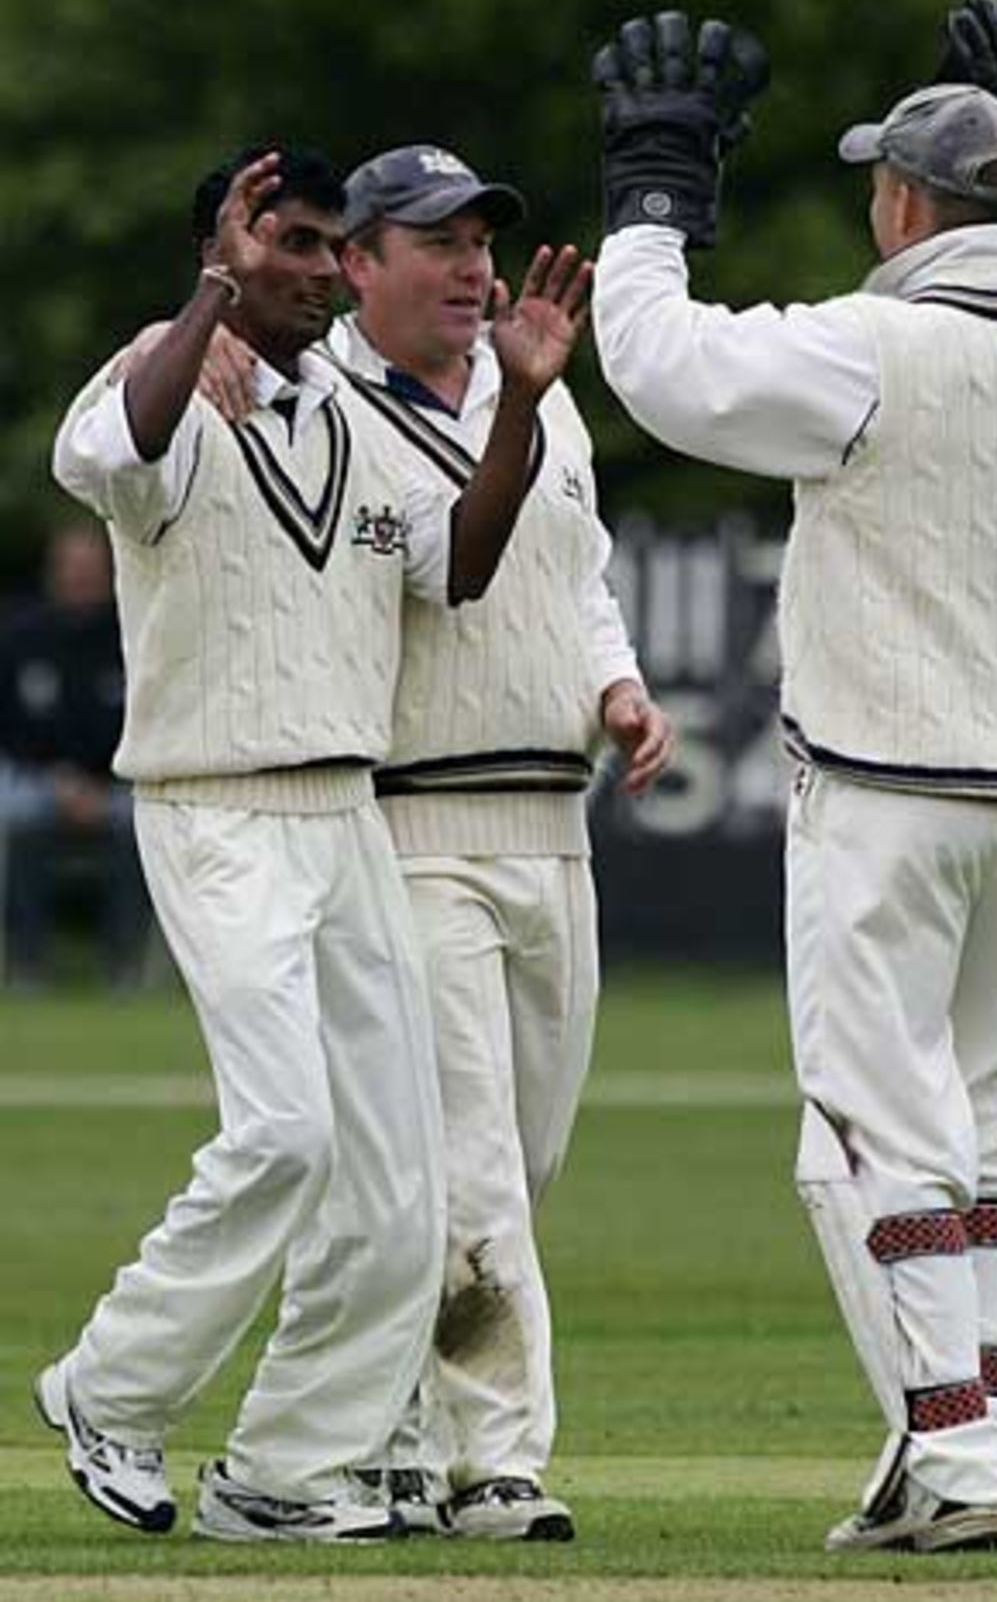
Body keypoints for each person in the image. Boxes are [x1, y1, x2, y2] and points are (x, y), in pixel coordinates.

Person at [589, 2, 997, 1553]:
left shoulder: (864, 346)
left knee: (865, 1127)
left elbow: (654, 365)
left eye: (880, 185)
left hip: (885, 786)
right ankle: (987, 1416)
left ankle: (958, 1456)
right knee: (975, 1112)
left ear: (907, 206)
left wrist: (655, 195)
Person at [41, 143, 592, 1544]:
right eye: (277, 239)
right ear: (226, 247)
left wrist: (520, 407)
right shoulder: (161, 394)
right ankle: (111, 1384)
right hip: (214, 800)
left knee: (405, 1193)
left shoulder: (350, 420)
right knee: (285, 1129)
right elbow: (111, 456)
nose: (302, 264)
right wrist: (201, 303)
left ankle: (285, 1466)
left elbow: (457, 562)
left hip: (348, 810)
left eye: (316, 245)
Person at [199, 142, 673, 1542]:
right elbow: (171, 394)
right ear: (358, 262)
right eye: (438, 243)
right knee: (459, 1167)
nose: (473, 268)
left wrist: (618, 682)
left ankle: (386, 1435)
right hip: (411, 821)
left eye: (482, 240)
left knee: (509, 1165)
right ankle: (493, 1460)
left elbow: (574, 573)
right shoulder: (310, 391)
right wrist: (206, 329)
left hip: (552, 822)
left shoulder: (543, 389)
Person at [0, 522, 150, 988]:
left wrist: (99, 786)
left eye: (90, 568)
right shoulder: (20, 635)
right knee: (19, 817)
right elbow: (8, 725)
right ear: (54, 572)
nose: (80, 578)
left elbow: (147, 724)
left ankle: (125, 964)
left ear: (108, 573)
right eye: (71, 568)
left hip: (120, 783)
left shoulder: (134, 636)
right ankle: (27, 964)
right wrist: (60, 783)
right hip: (37, 780)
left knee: (143, 827)